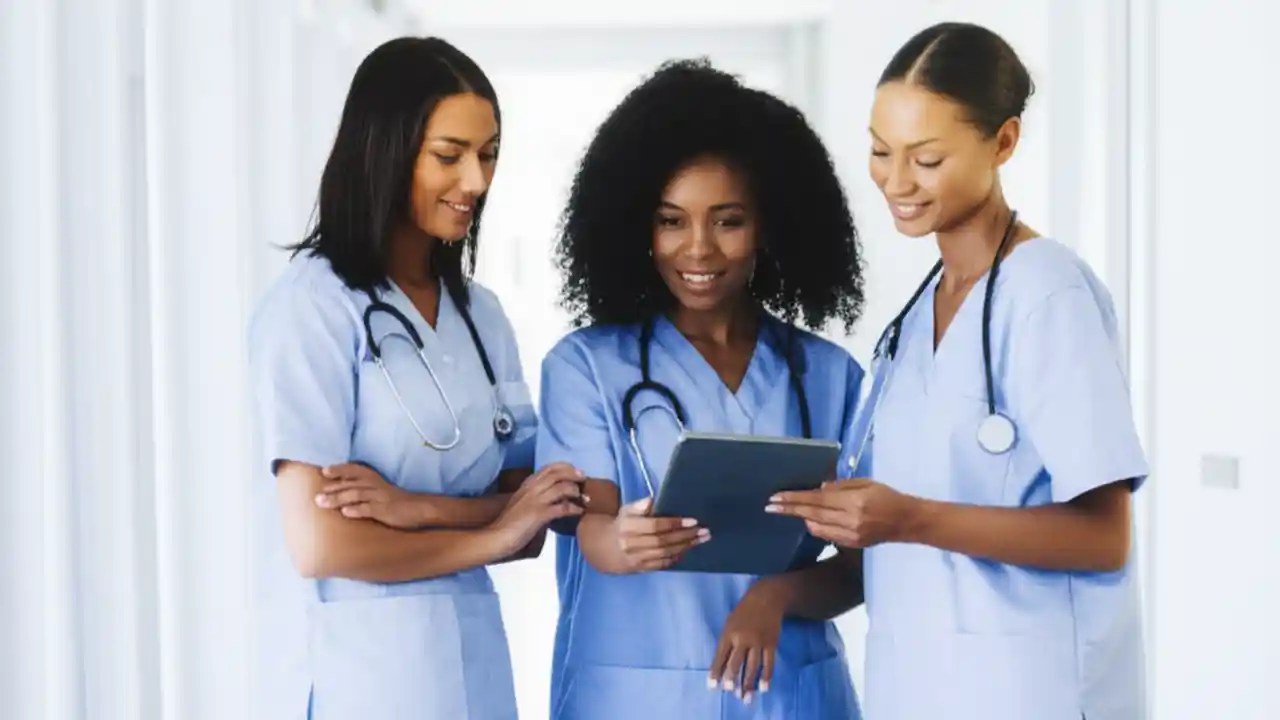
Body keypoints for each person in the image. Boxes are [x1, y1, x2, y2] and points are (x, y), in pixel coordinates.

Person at [767, 23, 1148, 720]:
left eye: (928, 158)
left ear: (1003, 142)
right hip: (918, 685)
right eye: (881, 152)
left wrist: (910, 518)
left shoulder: (1046, 293)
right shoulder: (916, 319)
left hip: (1034, 690)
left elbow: (1103, 534)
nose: (897, 181)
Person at [247, 37, 584, 719]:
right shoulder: (312, 308)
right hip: (372, 679)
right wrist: (490, 532)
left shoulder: (481, 316)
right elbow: (322, 543)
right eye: (449, 155)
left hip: (478, 673)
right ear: (385, 148)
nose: (477, 182)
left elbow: (540, 513)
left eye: (488, 154)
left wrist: (419, 509)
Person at [536, 59, 867, 720]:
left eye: (727, 220)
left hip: (791, 694)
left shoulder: (830, 377)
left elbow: (865, 566)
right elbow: (589, 523)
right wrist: (624, 541)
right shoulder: (587, 367)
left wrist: (776, 598)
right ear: (639, 227)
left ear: (767, 226)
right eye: (671, 220)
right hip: (638, 695)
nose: (699, 249)